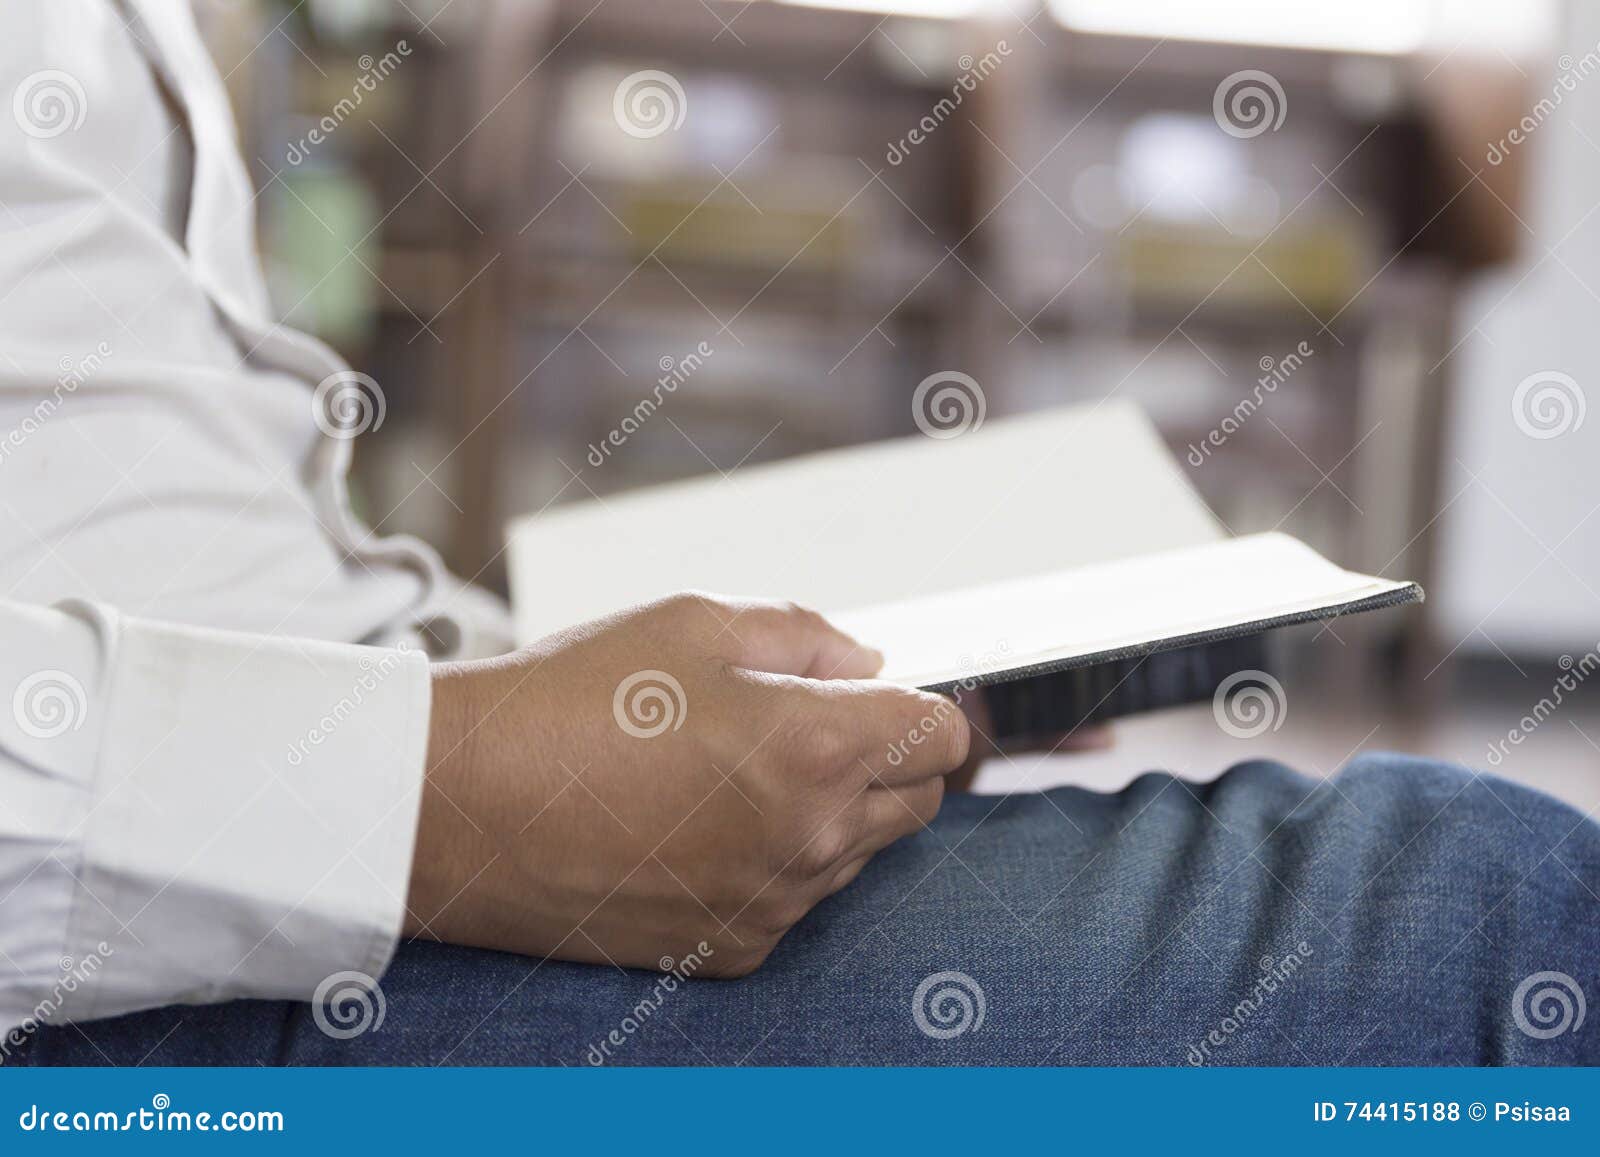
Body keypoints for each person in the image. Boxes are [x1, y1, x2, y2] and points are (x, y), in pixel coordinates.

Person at [2, 1, 1596, 1067]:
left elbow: (179, 544)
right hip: (152, 970)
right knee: (1491, 905)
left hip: (269, 794)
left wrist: (630, 704)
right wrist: (454, 797)